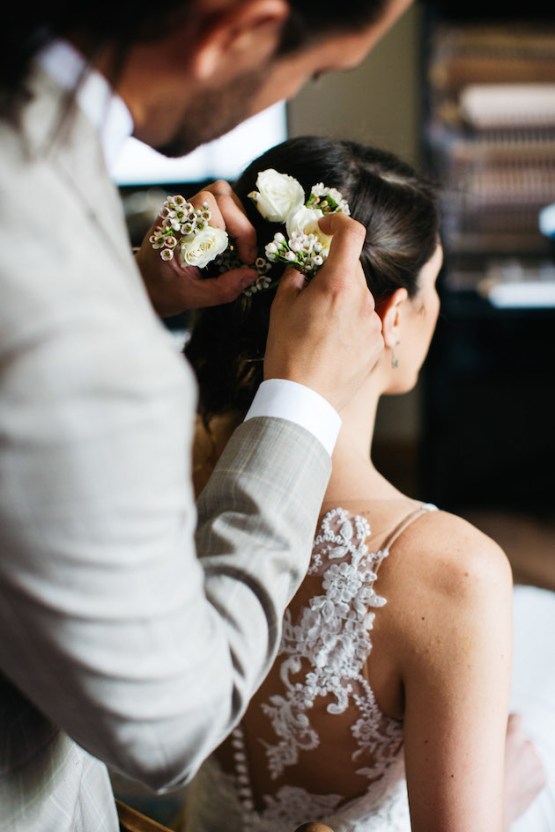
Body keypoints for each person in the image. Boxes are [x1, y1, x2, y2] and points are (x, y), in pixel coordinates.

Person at [0, 2, 421, 831]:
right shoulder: (100, 361)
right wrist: (297, 404)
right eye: (314, 72)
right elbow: (165, 728)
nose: (300, 88)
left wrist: (130, 280)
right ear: (233, 32)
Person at [180, 134, 552, 832]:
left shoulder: (177, 471)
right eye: (431, 286)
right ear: (388, 317)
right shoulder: (454, 571)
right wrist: (497, 800)